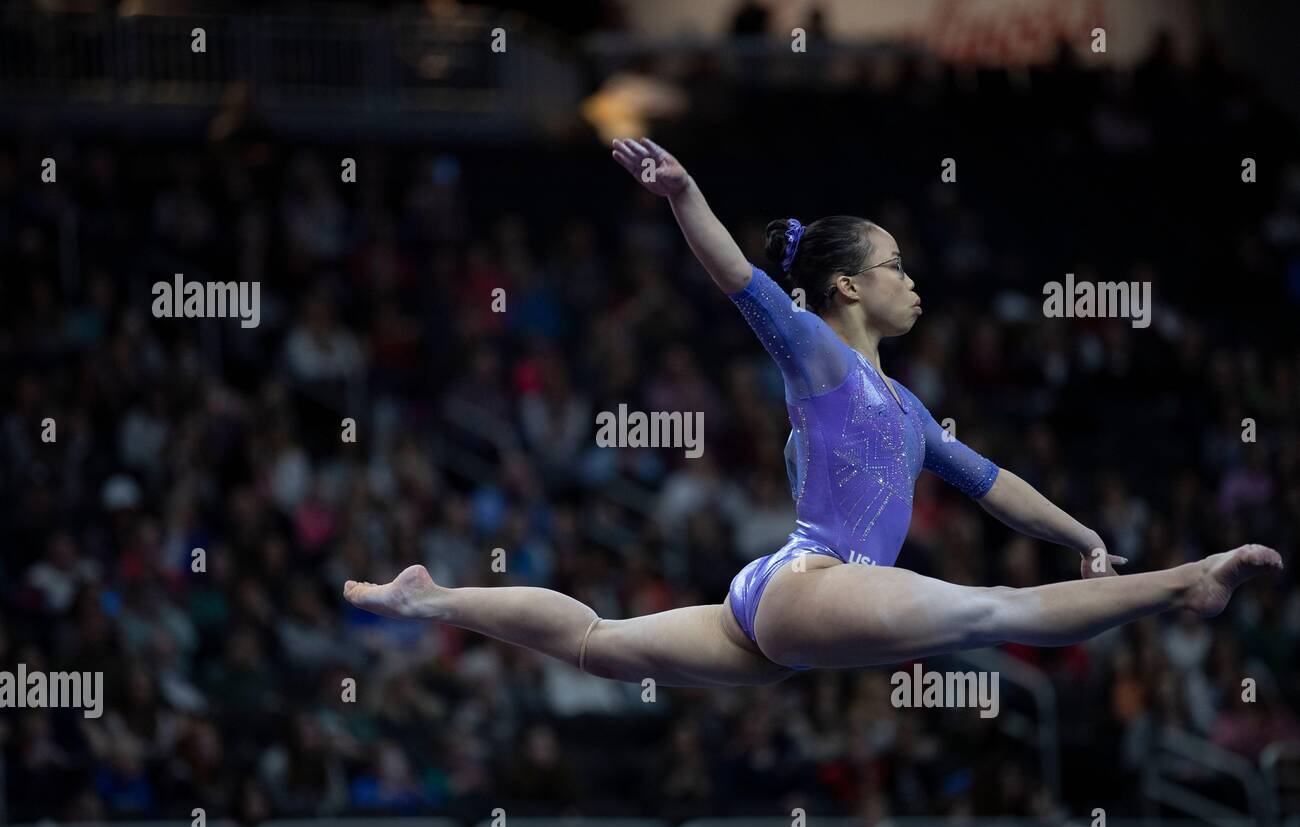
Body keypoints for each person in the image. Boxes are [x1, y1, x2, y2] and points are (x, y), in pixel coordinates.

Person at [343, 137, 1283, 687]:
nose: (914, 283)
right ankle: (1189, 582)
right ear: (845, 285)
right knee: (994, 611)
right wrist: (686, 194)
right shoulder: (819, 352)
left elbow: (998, 487)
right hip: (811, 583)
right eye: (895, 267)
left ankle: (430, 596)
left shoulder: (909, 410)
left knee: (597, 644)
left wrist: (1080, 531)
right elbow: (739, 282)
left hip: (775, 601)